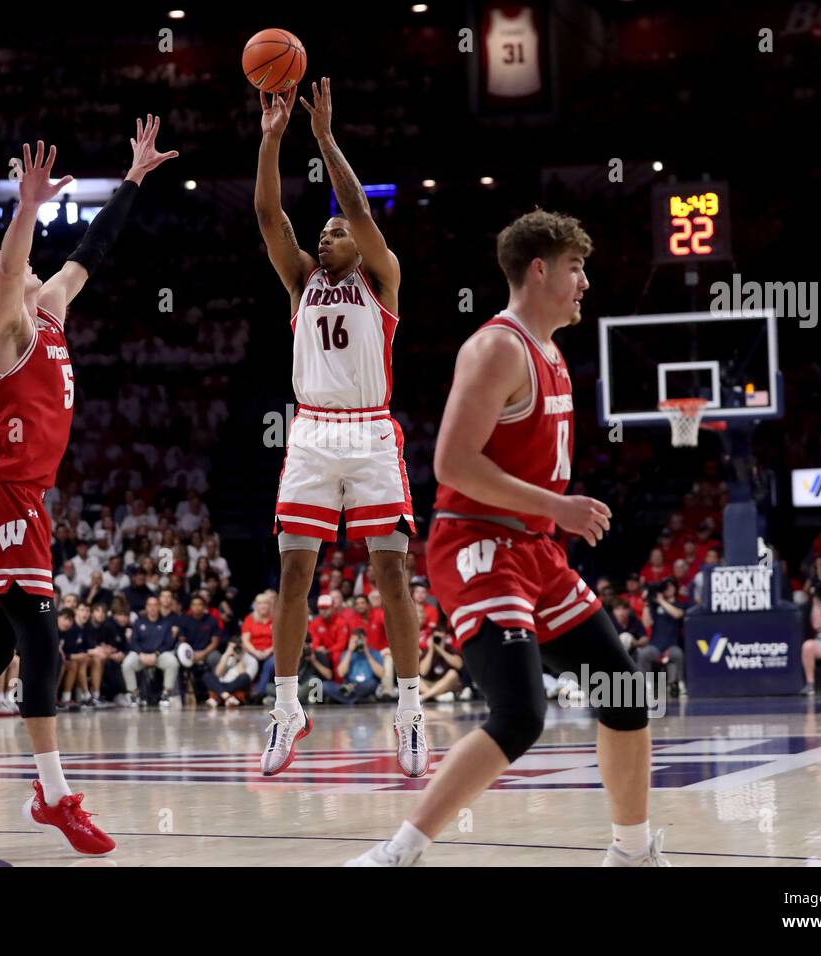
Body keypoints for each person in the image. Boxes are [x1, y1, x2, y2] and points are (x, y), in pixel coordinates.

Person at [0, 123, 176, 857]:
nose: (37, 266)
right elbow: (12, 271)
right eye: (16, 266)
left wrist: (134, 176)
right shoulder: (0, 333)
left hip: (16, 500)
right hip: (1, 499)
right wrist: (24, 208)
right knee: (41, 645)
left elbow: (93, 250)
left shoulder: (51, 312)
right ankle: (53, 796)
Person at [350, 208, 664, 867]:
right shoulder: (497, 347)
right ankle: (396, 854)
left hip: (535, 551)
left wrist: (552, 518)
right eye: (576, 268)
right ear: (540, 269)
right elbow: (454, 464)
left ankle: (632, 853)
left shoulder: (552, 352)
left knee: (624, 692)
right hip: (477, 546)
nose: (585, 282)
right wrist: (559, 505)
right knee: (520, 714)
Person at [253, 78, 427, 778]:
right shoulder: (300, 281)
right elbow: (270, 215)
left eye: (335, 230)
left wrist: (323, 139)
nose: (326, 233)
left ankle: (410, 709)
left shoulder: (382, 278)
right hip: (314, 435)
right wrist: (271, 141)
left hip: (372, 434)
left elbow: (354, 204)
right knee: (296, 573)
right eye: (321, 230)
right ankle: (287, 706)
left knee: (392, 573)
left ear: (359, 241)